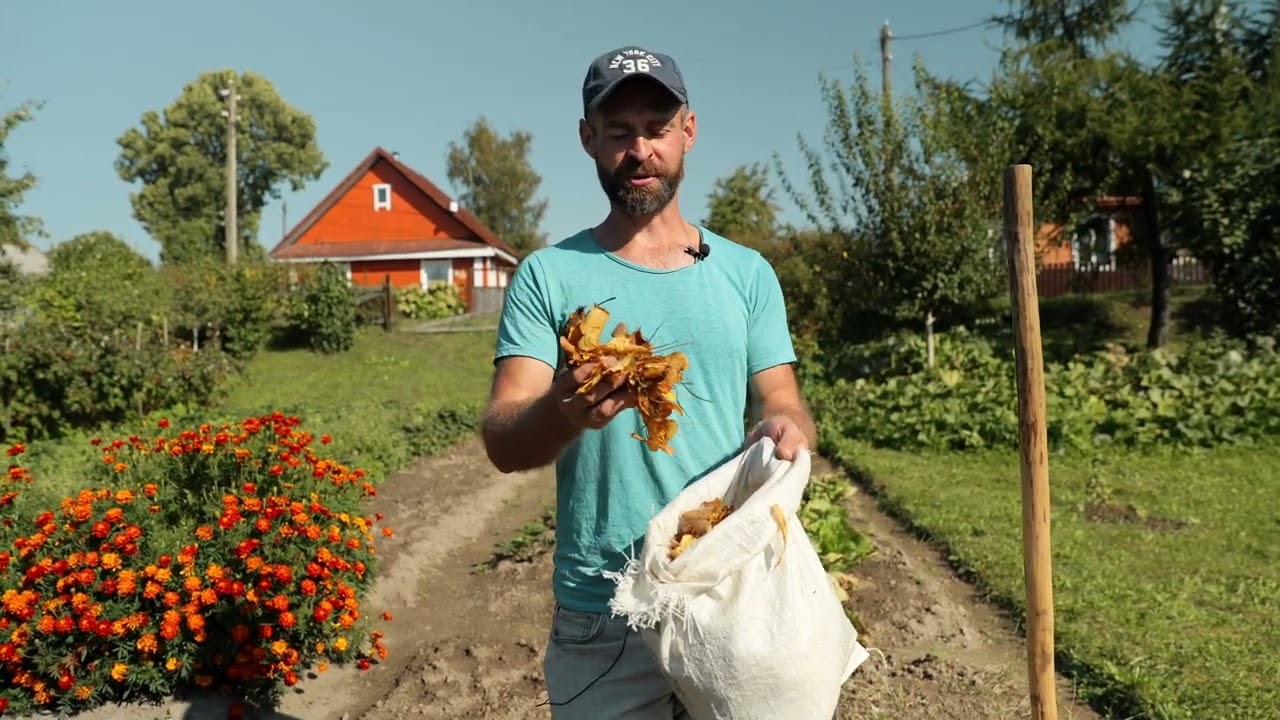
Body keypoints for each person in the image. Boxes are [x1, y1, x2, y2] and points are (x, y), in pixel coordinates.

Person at [480, 44, 817, 720]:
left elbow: (781, 399)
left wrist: (785, 431)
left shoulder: (744, 273)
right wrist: (563, 411)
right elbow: (504, 438)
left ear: (687, 131)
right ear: (588, 140)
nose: (640, 150)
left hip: (724, 590)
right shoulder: (549, 275)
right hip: (603, 613)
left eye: (656, 128)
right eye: (618, 132)